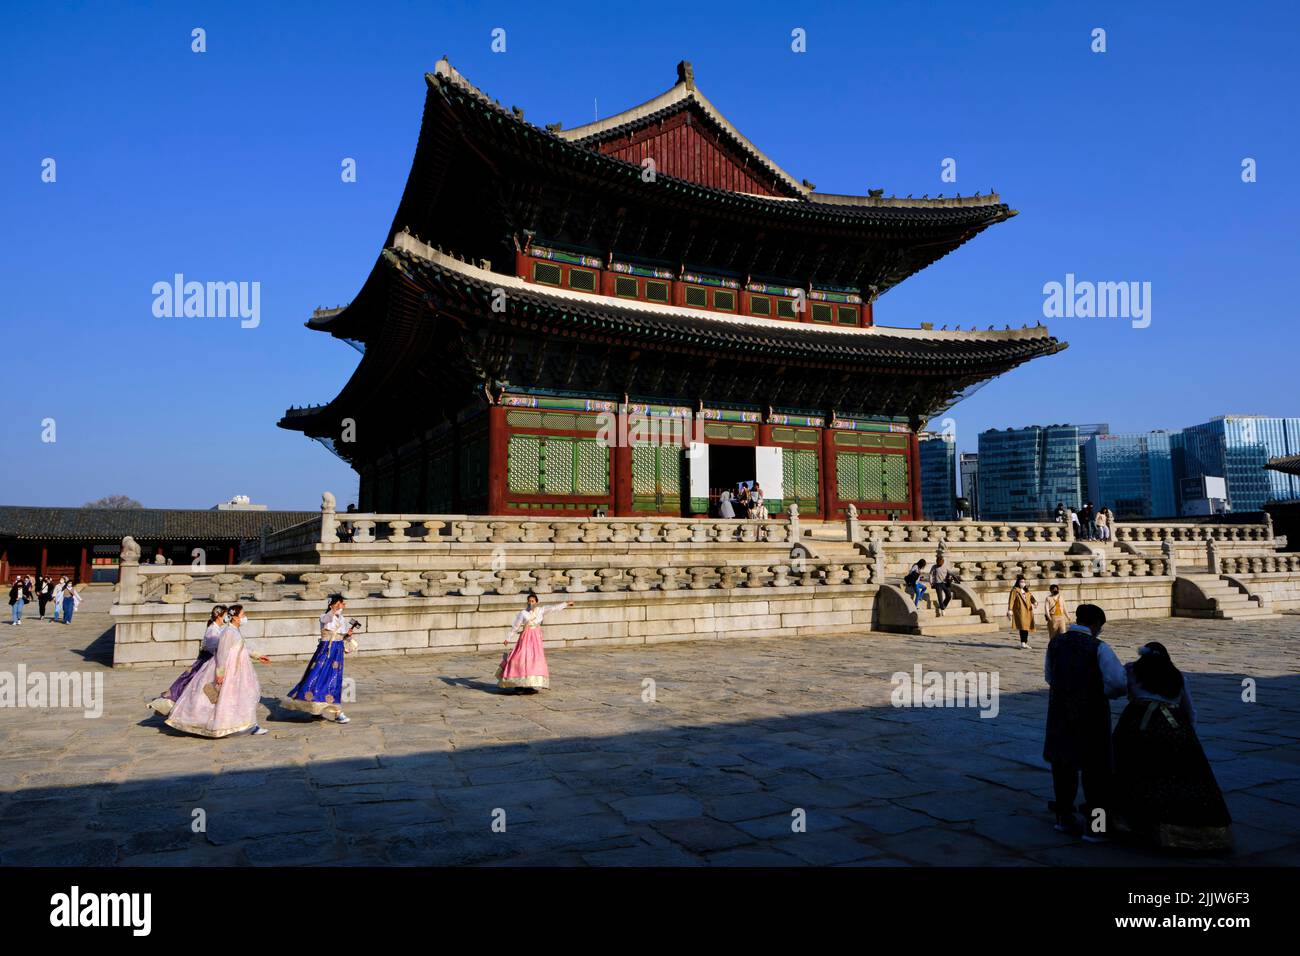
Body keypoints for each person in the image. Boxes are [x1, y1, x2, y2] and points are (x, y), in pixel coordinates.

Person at [1112, 642, 1232, 850]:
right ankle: (1189, 832)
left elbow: (1116, 688)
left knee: (1135, 770)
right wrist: (1188, 735)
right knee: (1180, 777)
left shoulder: (1133, 670)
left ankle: (1134, 822)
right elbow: (1190, 709)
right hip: (1173, 727)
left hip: (1139, 723)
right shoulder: (1177, 676)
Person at [1043, 603, 1127, 839]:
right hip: (1092, 716)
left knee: (1063, 769)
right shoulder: (1099, 648)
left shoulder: (1055, 643)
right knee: (1096, 775)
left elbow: (1050, 676)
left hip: (1060, 715)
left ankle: (1064, 819)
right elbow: (1118, 683)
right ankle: (1096, 828)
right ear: (1095, 624)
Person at [166, 604, 269, 737]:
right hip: (230, 671)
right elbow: (222, 654)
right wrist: (220, 674)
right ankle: (235, 725)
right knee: (226, 698)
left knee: (241, 696)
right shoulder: (228, 632)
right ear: (236, 618)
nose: (244, 617)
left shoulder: (234, 631)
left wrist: (257, 655)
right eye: (243, 615)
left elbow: (241, 648)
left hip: (239, 670)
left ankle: (247, 724)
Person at [283, 594, 357, 723]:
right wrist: (333, 608)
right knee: (316, 678)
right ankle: (333, 712)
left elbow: (341, 637)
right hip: (326, 653)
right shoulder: (325, 617)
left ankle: (324, 711)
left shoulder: (342, 619)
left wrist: (347, 635)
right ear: (334, 604)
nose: (344, 605)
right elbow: (328, 618)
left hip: (336, 652)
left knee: (333, 680)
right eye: (341, 603)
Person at [148, 605, 229, 717]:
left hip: (213, 661)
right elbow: (213, 648)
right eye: (225, 615)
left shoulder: (219, 629)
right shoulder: (212, 630)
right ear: (219, 616)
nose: (227, 617)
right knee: (194, 686)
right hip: (206, 662)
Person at [498, 591, 573, 692]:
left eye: (532, 601)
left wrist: (566, 604)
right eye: (529, 601)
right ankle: (518, 684)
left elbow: (553, 608)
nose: (530, 603)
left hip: (536, 638)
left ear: (536, 602)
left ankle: (530, 684)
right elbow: (515, 626)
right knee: (521, 657)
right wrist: (508, 638)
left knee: (535, 659)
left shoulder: (541, 610)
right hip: (526, 637)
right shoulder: (523, 613)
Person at [1007, 575, 1037, 648]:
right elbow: (1011, 600)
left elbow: (1031, 597)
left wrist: (1035, 602)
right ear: (1018, 582)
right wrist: (1010, 609)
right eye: (1021, 582)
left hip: (1028, 611)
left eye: (1024, 582)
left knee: (1026, 627)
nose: (1023, 583)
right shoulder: (1015, 590)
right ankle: (1023, 642)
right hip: (1020, 611)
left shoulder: (1026, 591)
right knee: (1022, 626)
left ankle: (1024, 642)